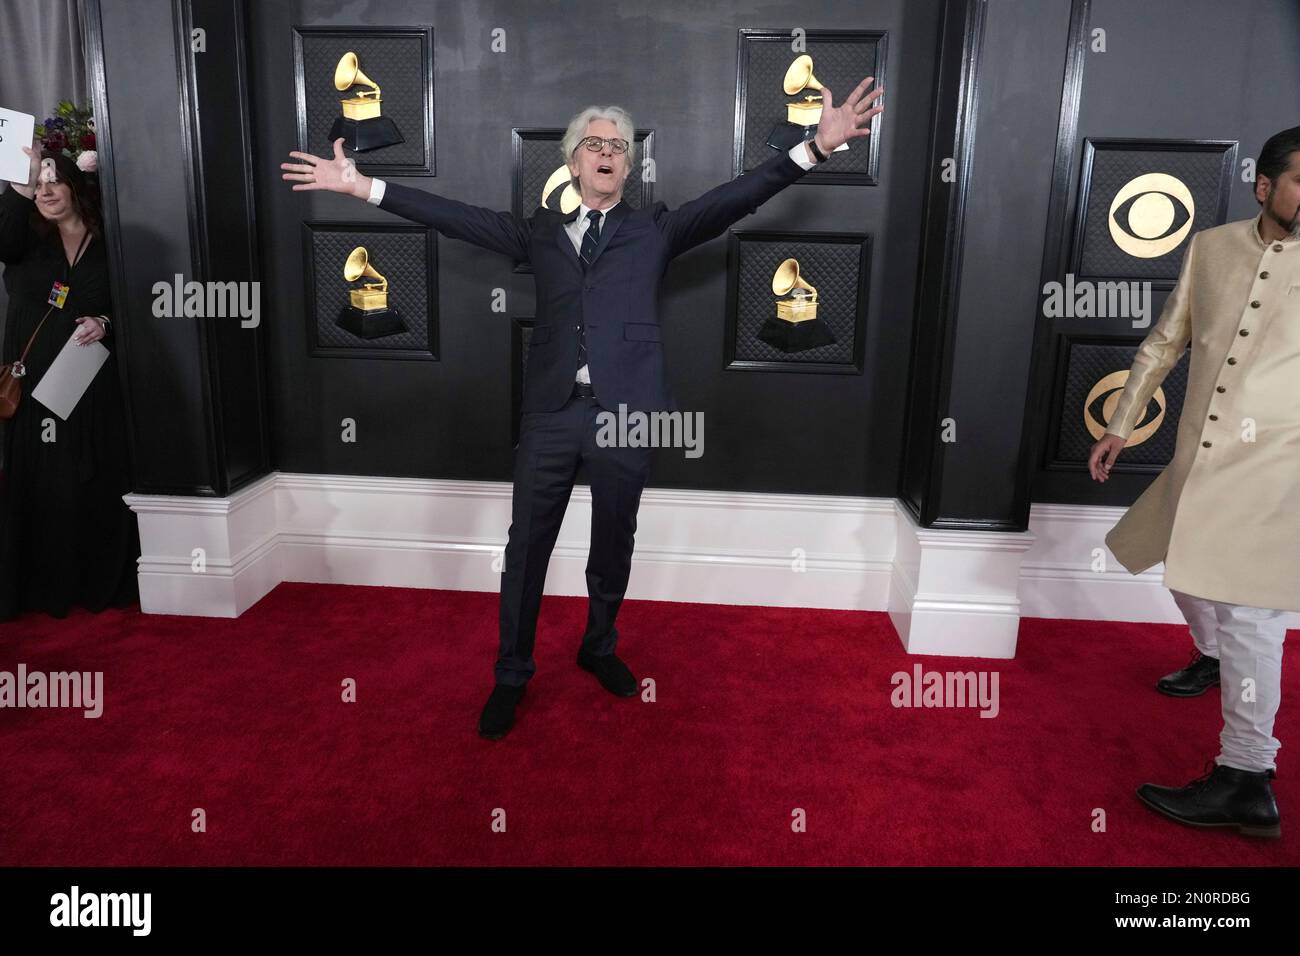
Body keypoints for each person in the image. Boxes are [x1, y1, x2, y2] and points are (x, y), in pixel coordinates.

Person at [283, 80, 884, 739]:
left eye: (618, 146)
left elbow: (737, 198)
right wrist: (363, 188)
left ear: (627, 164)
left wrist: (816, 147)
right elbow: (453, 217)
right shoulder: (537, 234)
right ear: (573, 162)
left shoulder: (656, 229)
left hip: (629, 412)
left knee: (613, 541)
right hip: (551, 411)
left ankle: (598, 646)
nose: (607, 153)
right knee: (525, 550)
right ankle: (511, 674)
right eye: (594, 144)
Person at [1089, 126, 1300, 838]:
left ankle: (1246, 778)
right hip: (1201, 457)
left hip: (1279, 470)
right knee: (1179, 567)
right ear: (1264, 185)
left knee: (1253, 620)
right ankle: (1210, 657)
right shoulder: (1211, 247)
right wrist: (1120, 423)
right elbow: (1166, 340)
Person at [0, 145, 139, 621]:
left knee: (96, 478)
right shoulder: (24, 242)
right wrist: (18, 187)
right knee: (47, 485)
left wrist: (105, 321)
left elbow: (135, 299)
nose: (46, 191)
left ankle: (100, 581)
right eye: (38, 183)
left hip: (94, 383)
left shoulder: (109, 242)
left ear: (77, 188)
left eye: (54, 180)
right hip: (38, 386)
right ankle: (45, 587)